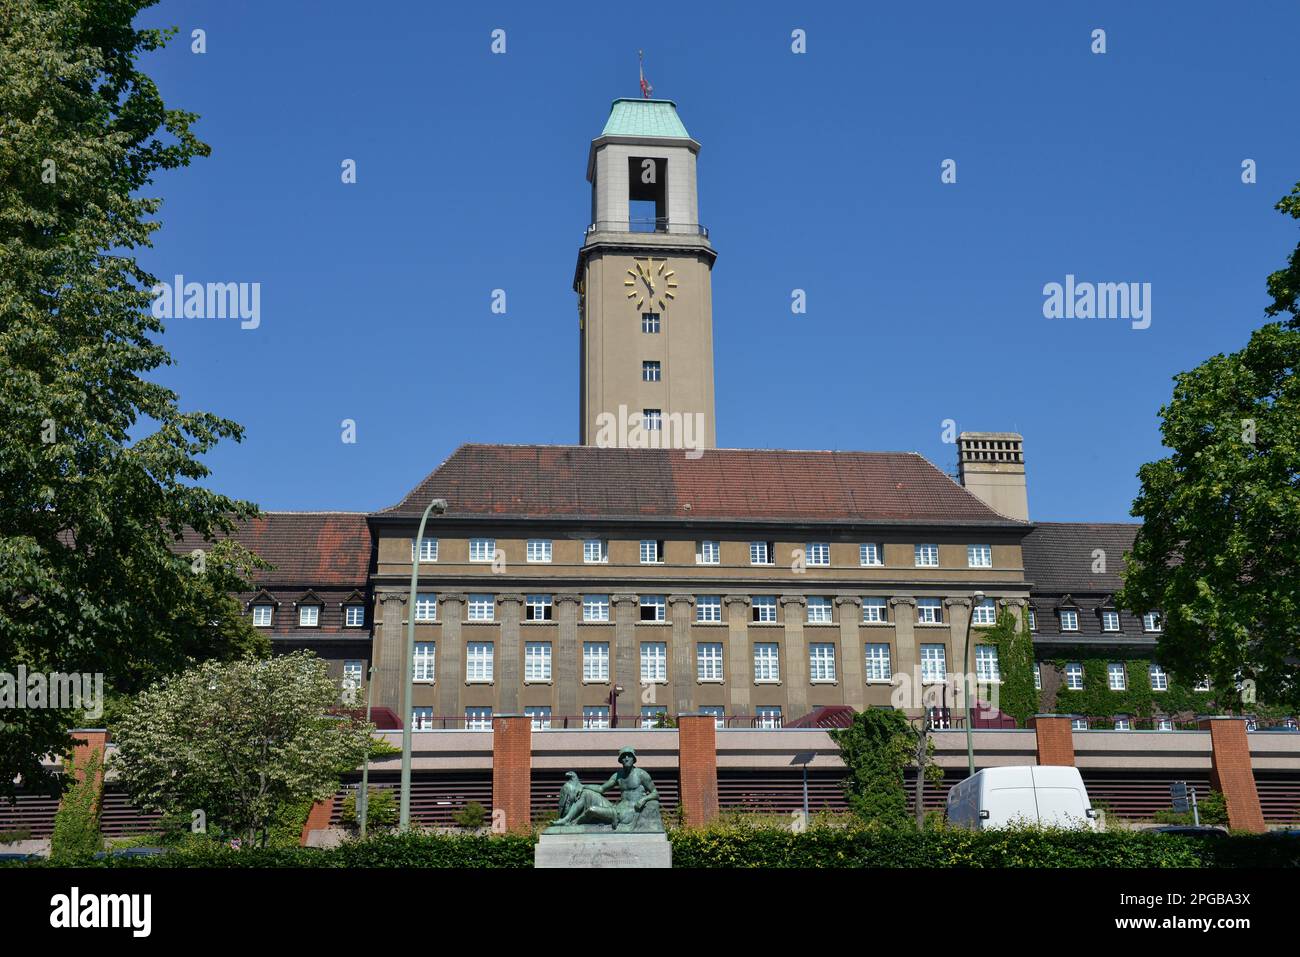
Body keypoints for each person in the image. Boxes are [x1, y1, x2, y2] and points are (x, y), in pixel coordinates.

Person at [592, 746, 663, 832]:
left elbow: (655, 793)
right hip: (619, 808)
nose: (626, 759)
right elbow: (601, 788)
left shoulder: (641, 774)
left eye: (629, 756)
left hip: (632, 811)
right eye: (623, 757)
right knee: (588, 799)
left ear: (633, 759)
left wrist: (644, 799)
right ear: (620, 760)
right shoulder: (618, 775)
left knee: (592, 811)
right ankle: (574, 825)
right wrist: (582, 786)